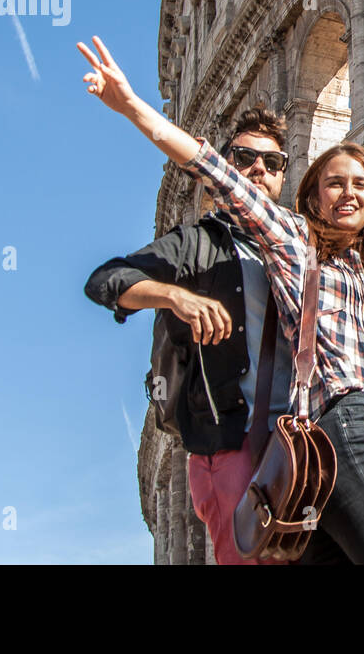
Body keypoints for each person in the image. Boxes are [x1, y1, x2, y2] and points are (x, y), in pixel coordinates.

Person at [77, 35, 364, 565]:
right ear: (312, 197)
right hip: (317, 429)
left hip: (353, 439)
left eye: (361, 184)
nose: (348, 193)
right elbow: (210, 171)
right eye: (334, 183)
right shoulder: (290, 240)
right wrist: (135, 108)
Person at [83, 108, 296, 565]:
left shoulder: (295, 246)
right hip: (233, 446)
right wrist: (173, 296)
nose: (259, 170)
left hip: (296, 445)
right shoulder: (194, 242)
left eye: (272, 163)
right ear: (222, 169)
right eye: (244, 158)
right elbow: (105, 280)